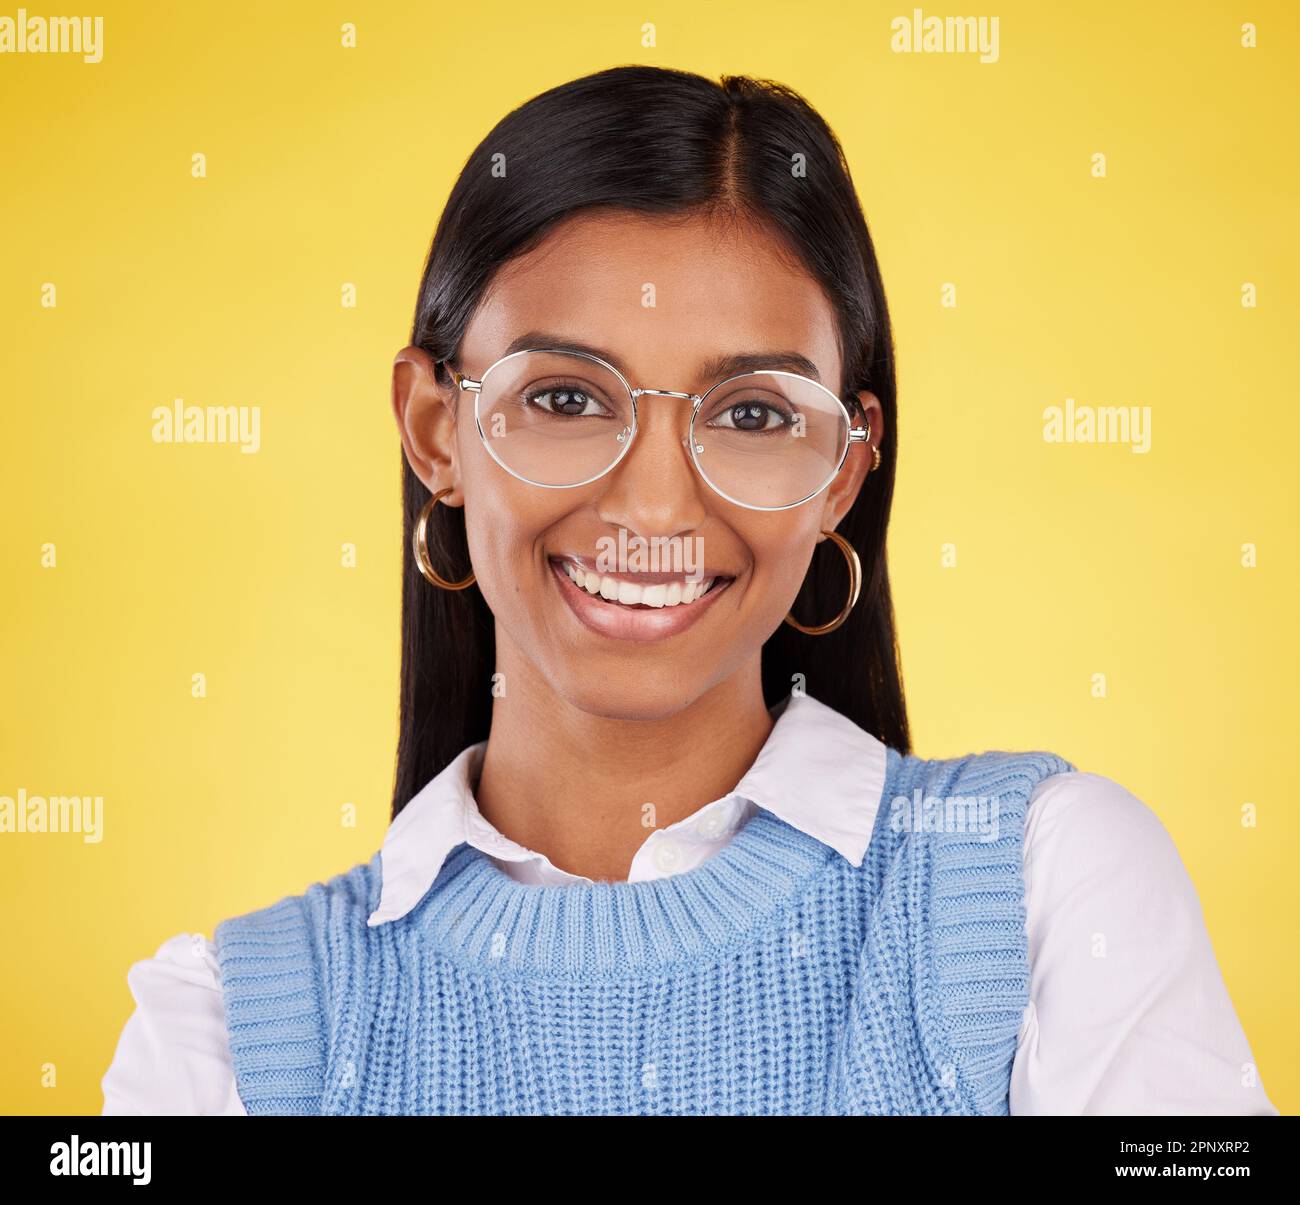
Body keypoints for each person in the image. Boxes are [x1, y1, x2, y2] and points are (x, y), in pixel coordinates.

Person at [102, 65, 1278, 1116]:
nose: (655, 507)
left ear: (842, 471)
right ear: (434, 428)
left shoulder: (1042, 888)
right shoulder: (230, 1038)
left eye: (754, 413)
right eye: (565, 397)